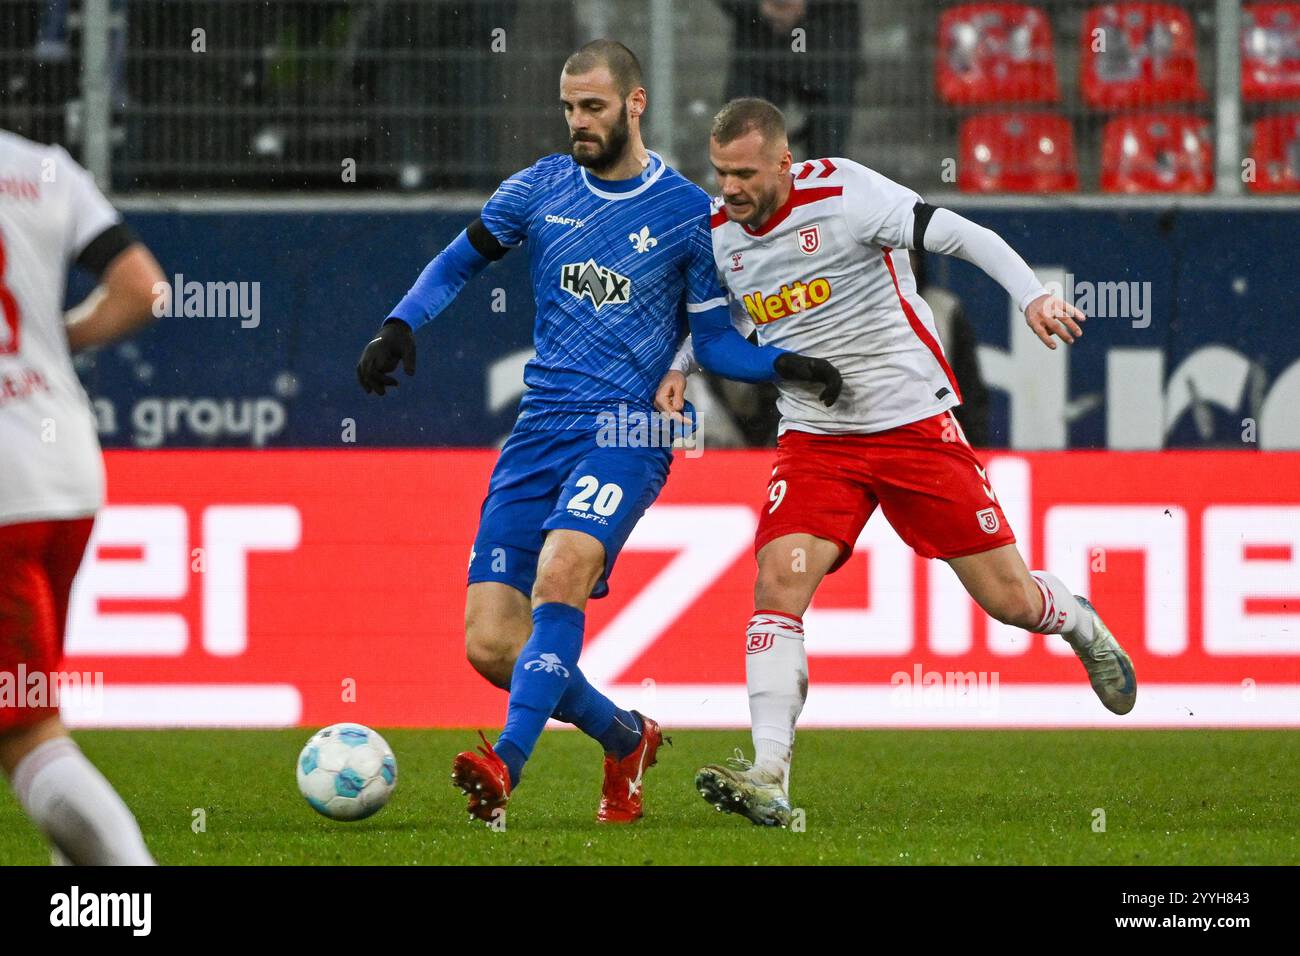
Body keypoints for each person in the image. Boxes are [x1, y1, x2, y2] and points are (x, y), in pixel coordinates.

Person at [355, 44, 840, 826]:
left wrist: (788, 364)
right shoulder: (539, 188)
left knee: (562, 566)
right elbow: (457, 262)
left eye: (594, 107)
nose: (579, 122)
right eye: (569, 107)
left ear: (635, 104)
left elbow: (712, 341)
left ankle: (504, 765)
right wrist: (402, 324)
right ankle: (624, 737)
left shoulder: (688, 213)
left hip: (630, 425)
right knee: (489, 645)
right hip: (539, 428)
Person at [656, 99, 1137, 827]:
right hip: (817, 439)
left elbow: (960, 235)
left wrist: (1032, 295)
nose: (730, 189)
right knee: (778, 581)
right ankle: (769, 774)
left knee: (1009, 602)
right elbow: (713, 328)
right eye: (721, 173)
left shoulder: (848, 193)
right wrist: (678, 365)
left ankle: (1073, 617)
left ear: (785, 162)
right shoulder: (718, 236)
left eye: (746, 174)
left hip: (912, 425)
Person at [0, 128, 166, 863]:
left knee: (26, 731)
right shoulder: (41, 168)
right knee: (25, 708)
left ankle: (128, 899)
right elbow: (142, 289)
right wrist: (50, 344)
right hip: (61, 467)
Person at [717, 0, 861, 160]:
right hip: (760, 52)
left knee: (827, 158)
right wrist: (761, 6)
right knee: (745, 147)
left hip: (825, 48)